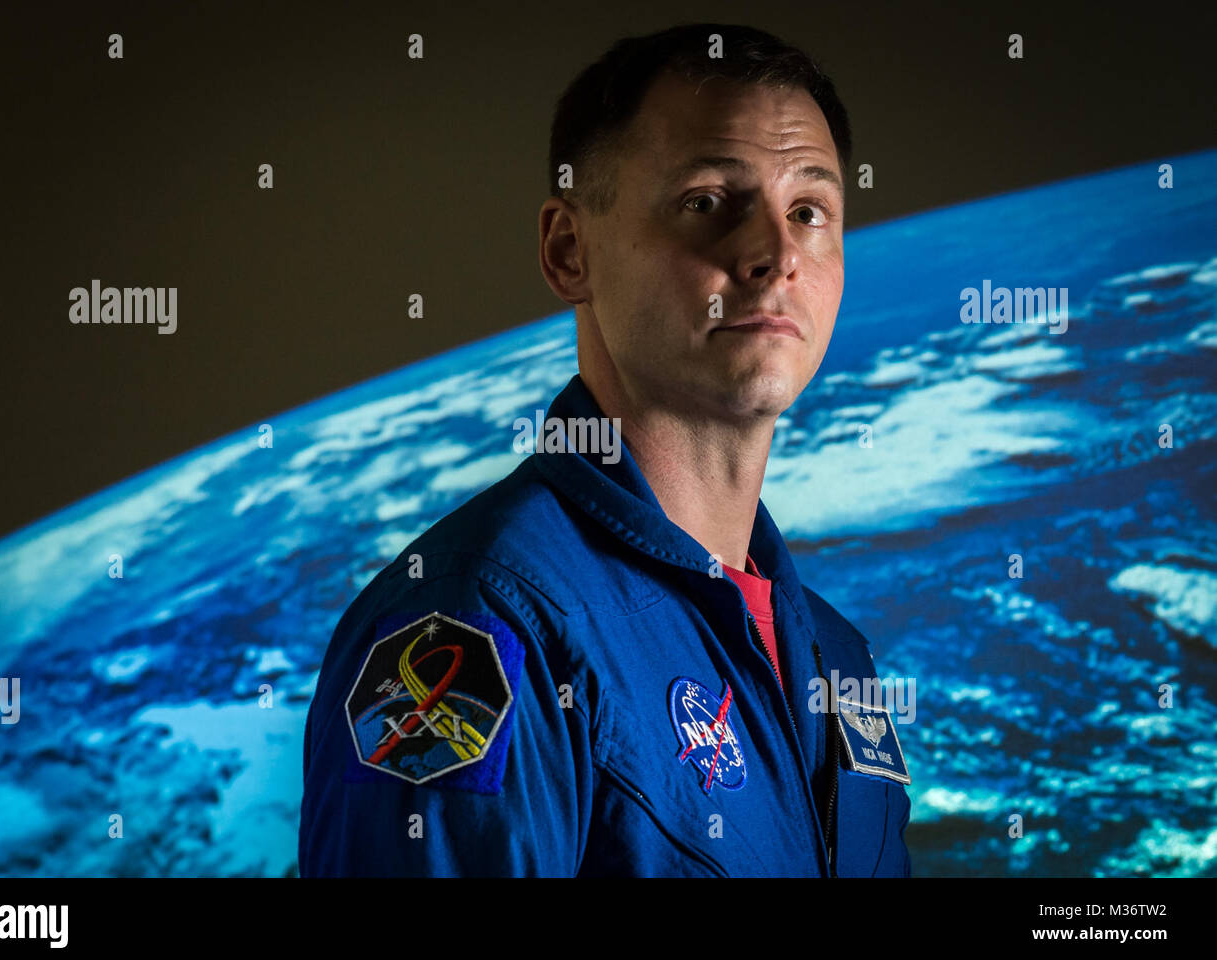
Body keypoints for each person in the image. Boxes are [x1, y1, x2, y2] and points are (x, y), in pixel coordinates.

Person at [299, 22, 912, 876]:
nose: (775, 255)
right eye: (707, 202)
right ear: (568, 250)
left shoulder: (836, 661)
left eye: (809, 210)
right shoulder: (472, 630)